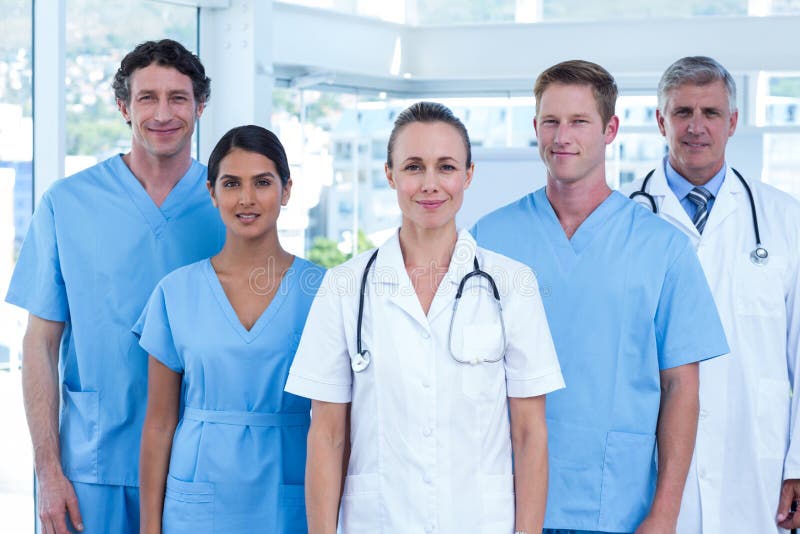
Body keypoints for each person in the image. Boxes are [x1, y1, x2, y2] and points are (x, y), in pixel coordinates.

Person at [471, 60, 730, 534]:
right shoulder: (489, 238)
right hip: (504, 503)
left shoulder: (663, 248)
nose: (562, 136)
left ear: (610, 129)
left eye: (579, 122)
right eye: (550, 121)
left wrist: (665, 515)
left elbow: (682, 389)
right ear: (535, 128)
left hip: (618, 506)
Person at [285, 101, 565, 533]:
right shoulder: (345, 287)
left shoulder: (512, 284)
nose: (430, 184)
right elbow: (326, 436)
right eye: (414, 167)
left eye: (446, 167)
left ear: (468, 175)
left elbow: (530, 434)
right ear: (390, 174)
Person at [4, 39, 224, 534]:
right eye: (147, 98)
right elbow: (40, 342)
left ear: (200, 106)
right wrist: (48, 471)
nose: (163, 113)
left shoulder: (226, 203)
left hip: (195, 468)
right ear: (123, 107)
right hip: (91, 468)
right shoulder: (67, 203)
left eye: (178, 98)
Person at [620, 56, 800, 534]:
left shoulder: (785, 220)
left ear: (733, 121)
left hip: (755, 465)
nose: (696, 127)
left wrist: (798, 463)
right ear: (661, 120)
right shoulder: (620, 219)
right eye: (682, 112)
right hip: (649, 467)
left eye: (711, 113)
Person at [135, 125, 324, 533]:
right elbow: (159, 423)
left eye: (262, 182)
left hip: (290, 493)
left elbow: (340, 424)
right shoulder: (176, 292)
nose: (246, 198)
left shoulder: (323, 293)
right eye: (232, 183)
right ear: (212, 192)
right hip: (198, 498)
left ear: (286, 190)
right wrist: (149, 528)